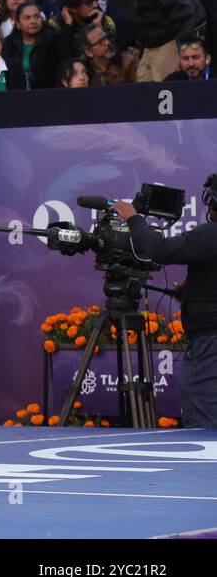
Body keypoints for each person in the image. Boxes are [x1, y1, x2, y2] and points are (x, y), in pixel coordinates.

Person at [112, 179, 217, 429]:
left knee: (204, 417)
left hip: (210, 345)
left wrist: (133, 218)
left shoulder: (211, 234)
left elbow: (157, 250)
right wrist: (192, 291)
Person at [2, 1, 60, 88]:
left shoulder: (53, 41)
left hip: (47, 93)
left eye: (36, 17)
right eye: (27, 18)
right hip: (16, 94)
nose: (33, 21)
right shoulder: (8, 44)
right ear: (17, 24)